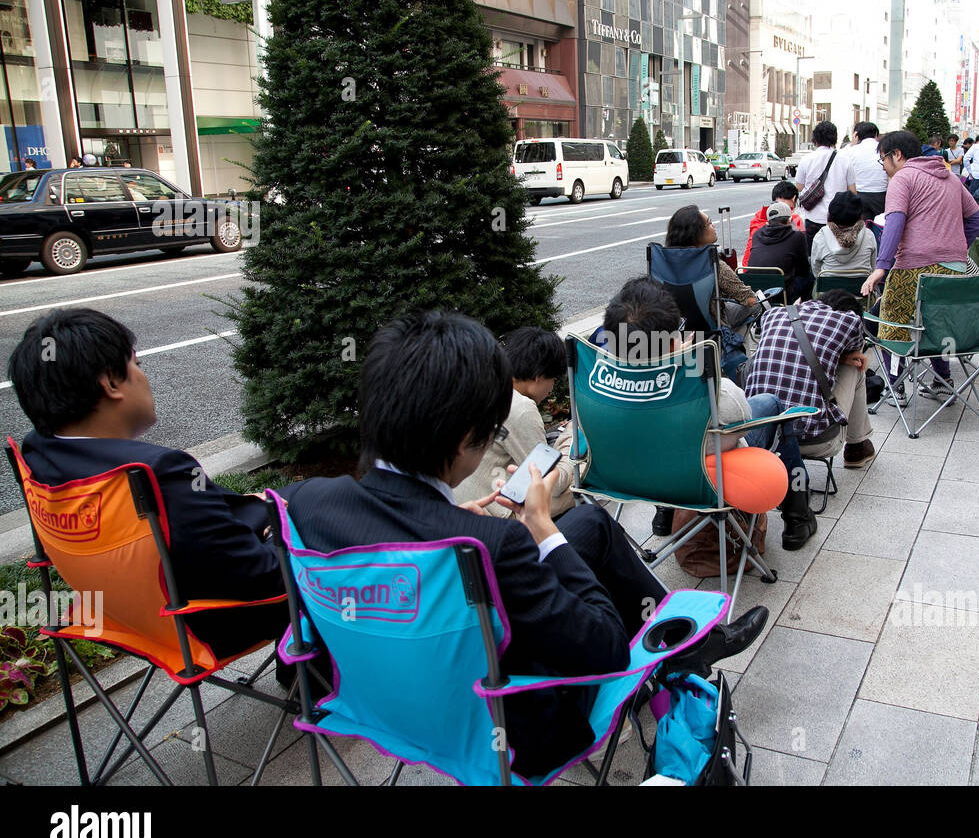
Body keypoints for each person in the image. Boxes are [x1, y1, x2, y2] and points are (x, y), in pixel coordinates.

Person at [279, 310, 769, 777]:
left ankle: (688, 644)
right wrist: (542, 527)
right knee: (577, 554)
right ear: (464, 440)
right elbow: (605, 651)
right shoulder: (494, 544)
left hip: (380, 708)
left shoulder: (303, 505)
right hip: (513, 729)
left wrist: (452, 515)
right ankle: (675, 651)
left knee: (594, 525)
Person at [7, 308, 286, 659]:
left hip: (117, 617)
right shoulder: (155, 473)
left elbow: (181, 530)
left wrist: (259, 508)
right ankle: (316, 674)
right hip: (206, 624)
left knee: (300, 498)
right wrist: (281, 532)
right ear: (110, 383)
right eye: (137, 365)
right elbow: (265, 580)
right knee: (336, 513)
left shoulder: (36, 456)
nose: (144, 376)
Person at [606, 277, 816, 550]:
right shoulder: (700, 383)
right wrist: (686, 360)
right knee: (770, 403)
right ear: (670, 341)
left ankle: (664, 514)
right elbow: (741, 416)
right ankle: (797, 518)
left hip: (639, 474)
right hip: (699, 474)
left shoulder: (600, 385)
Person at [862, 131, 979, 400]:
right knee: (938, 322)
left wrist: (882, 266)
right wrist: (955, 247)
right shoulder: (951, 178)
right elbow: (977, 220)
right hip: (955, 269)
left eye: (883, 159)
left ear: (897, 155)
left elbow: (894, 222)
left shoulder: (903, 178)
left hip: (914, 268)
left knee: (890, 322)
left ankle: (896, 388)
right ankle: (942, 380)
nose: (883, 167)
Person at [455, 327, 579, 519]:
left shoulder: (481, 382)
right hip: (494, 513)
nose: (551, 390)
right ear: (539, 376)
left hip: (458, 500)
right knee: (579, 485)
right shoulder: (520, 408)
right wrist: (571, 436)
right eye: (553, 379)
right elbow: (552, 484)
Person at [745, 289, 876, 471]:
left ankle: (858, 445)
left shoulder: (773, 314)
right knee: (856, 365)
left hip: (759, 431)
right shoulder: (850, 320)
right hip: (813, 439)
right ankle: (857, 447)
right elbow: (855, 351)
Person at [664, 204, 758, 380]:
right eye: (709, 223)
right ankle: (731, 347)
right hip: (711, 329)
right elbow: (748, 298)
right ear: (696, 233)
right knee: (755, 305)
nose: (713, 226)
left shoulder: (662, 263)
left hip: (674, 331)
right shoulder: (712, 263)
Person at [794, 120, 854, 250]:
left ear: (815, 139)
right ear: (835, 138)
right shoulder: (845, 160)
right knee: (837, 254)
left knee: (814, 255)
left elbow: (798, 187)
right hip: (838, 218)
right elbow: (853, 192)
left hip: (813, 217)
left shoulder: (806, 160)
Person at [747, 201, 813, 303]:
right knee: (810, 275)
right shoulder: (797, 236)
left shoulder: (757, 234)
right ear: (789, 220)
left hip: (757, 292)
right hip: (783, 293)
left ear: (768, 222)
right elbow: (803, 270)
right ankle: (805, 310)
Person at [812, 191, 876, 276]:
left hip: (827, 288)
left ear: (830, 214)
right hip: (862, 288)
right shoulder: (869, 235)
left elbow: (816, 269)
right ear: (859, 215)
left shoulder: (821, 236)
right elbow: (873, 267)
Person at [744, 179, 804, 266]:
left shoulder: (758, 217)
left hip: (749, 270)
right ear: (794, 198)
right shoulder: (794, 218)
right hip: (781, 274)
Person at [847, 121, 888, 221]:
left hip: (859, 195)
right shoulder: (884, 148)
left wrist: (852, 143)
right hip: (882, 196)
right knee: (880, 227)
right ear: (876, 134)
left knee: (861, 230)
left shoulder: (851, 151)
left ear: (857, 135)